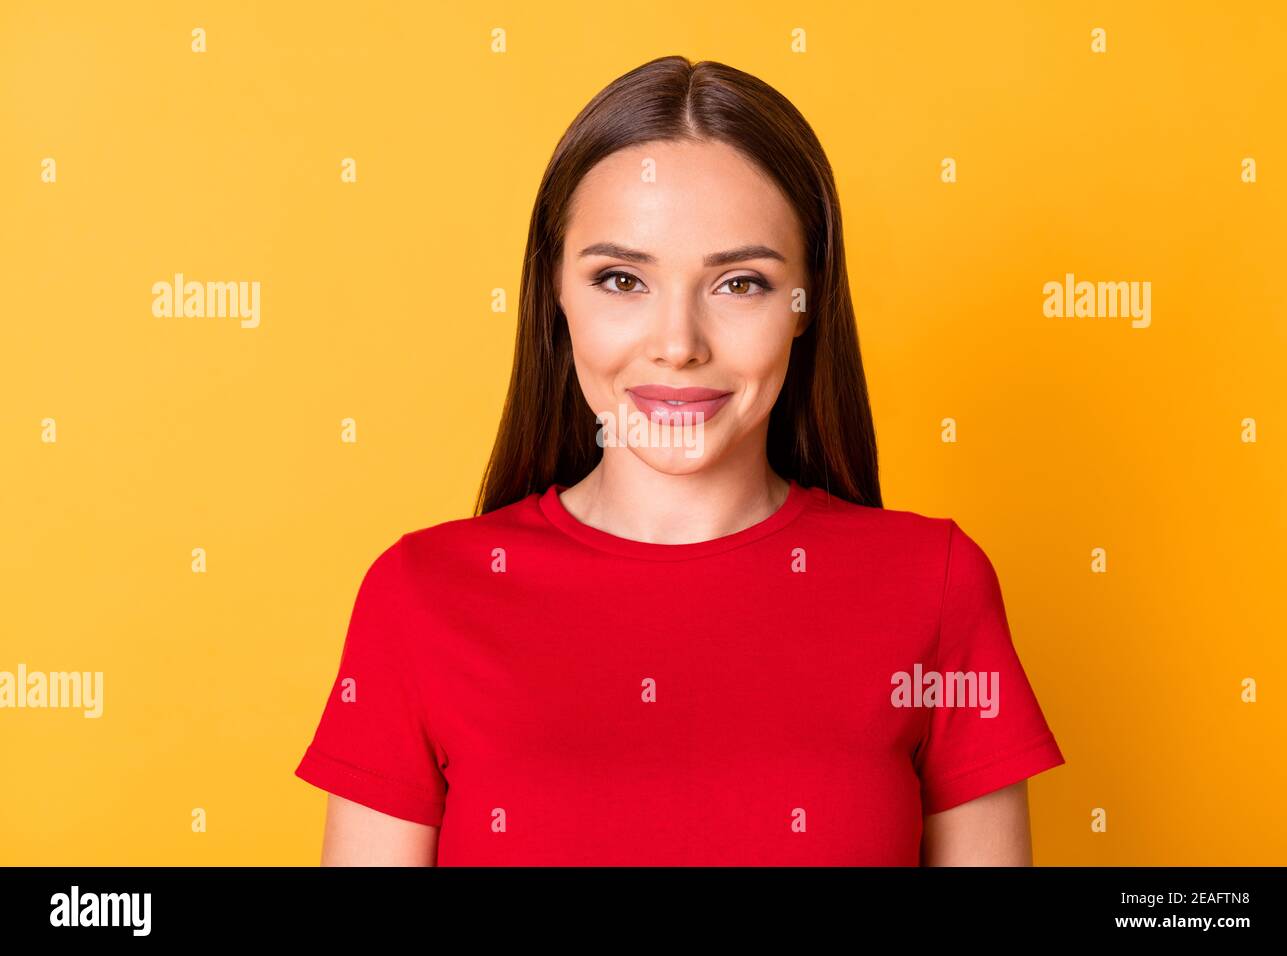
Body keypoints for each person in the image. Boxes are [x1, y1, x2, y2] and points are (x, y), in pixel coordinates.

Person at [294, 54, 1065, 866]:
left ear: (808, 304)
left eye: (740, 284)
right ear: (555, 297)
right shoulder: (420, 598)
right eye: (622, 279)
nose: (677, 346)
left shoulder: (936, 586)